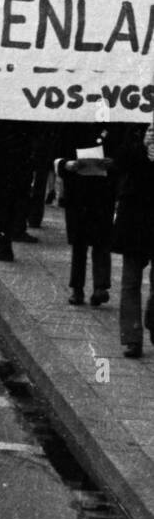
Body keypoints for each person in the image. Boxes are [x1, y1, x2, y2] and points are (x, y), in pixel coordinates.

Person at [55, 122, 119, 307]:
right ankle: (77, 288)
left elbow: (122, 152)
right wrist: (66, 164)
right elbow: (56, 152)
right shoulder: (71, 124)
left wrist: (112, 163)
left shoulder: (114, 125)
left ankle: (101, 287)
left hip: (103, 191)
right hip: (77, 191)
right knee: (79, 242)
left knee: (101, 240)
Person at [113, 124, 154, 358]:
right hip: (135, 215)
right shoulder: (133, 124)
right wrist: (142, 146)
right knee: (130, 281)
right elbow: (119, 161)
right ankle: (131, 337)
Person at [0, 120, 36, 262]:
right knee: (5, 205)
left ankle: (5, 244)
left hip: (9, 161)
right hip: (12, 160)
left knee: (4, 206)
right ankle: (3, 242)